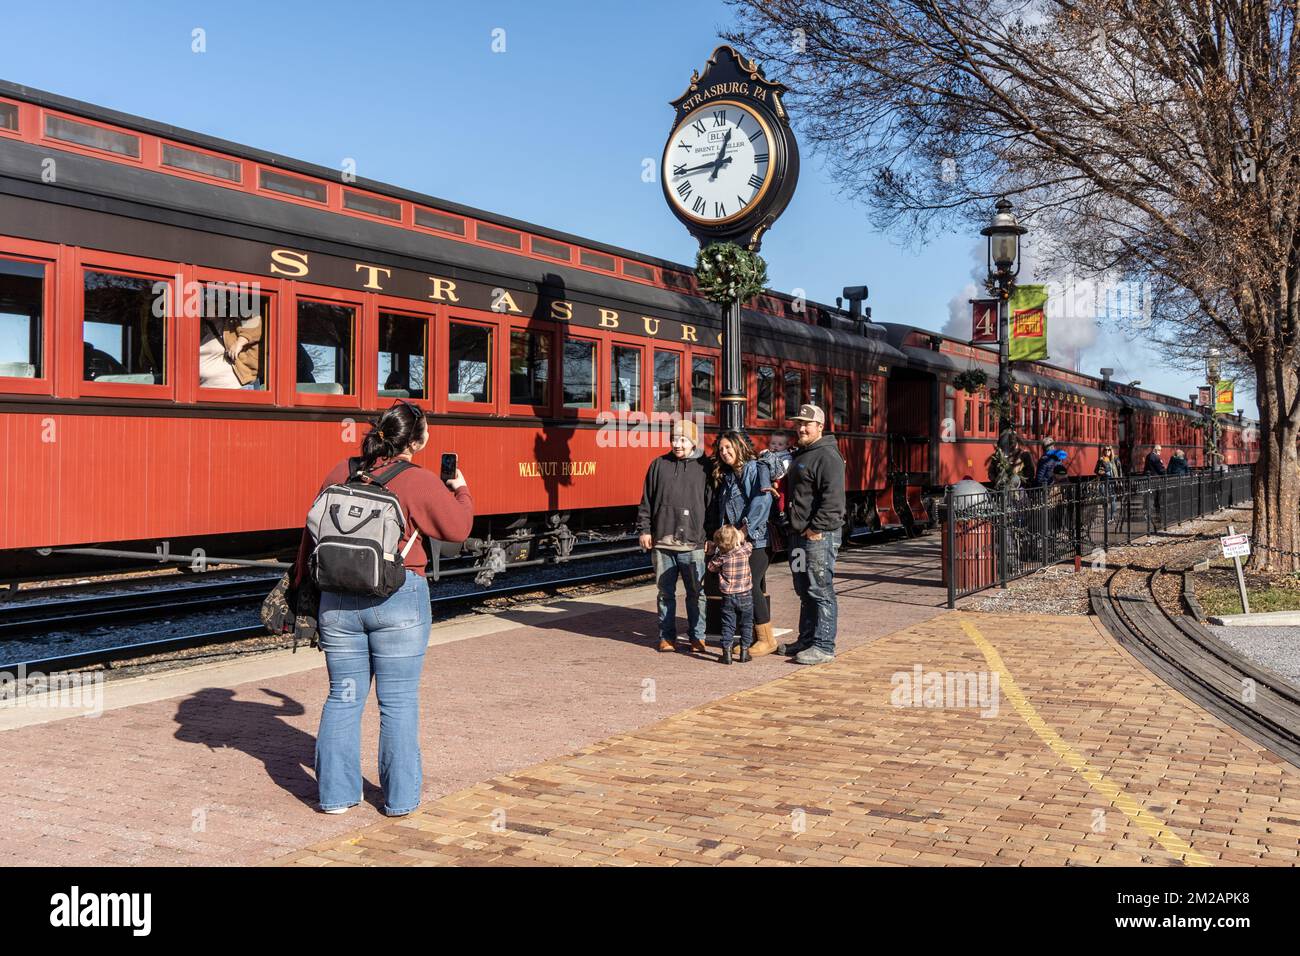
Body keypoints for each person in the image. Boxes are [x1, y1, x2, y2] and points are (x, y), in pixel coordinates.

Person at [294, 400, 473, 817]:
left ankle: (336, 797)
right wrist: (460, 489)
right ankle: (398, 800)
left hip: (337, 600)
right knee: (397, 702)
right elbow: (458, 529)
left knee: (343, 697)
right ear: (417, 439)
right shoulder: (420, 481)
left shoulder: (342, 471)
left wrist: (304, 590)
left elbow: (310, 535)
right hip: (398, 599)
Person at [777, 404, 846, 666]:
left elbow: (833, 501)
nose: (801, 428)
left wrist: (815, 528)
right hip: (798, 535)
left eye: (807, 424)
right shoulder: (804, 453)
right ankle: (806, 639)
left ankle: (824, 646)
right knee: (803, 590)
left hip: (818, 536)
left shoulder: (827, 456)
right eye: (798, 424)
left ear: (820, 426)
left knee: (820, 589)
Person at [637, 419, 711, 653]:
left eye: (683, 440)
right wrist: (645, 529)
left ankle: (697, 636)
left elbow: (713, 504)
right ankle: (666, 637)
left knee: (696, 593)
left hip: (694, 542)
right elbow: (647, 499)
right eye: (674, 439)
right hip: (663, 541)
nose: (677, 444)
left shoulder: (705, 466)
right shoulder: (659, 465)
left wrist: (709, 535)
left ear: (693, 442)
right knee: (664, 593)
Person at [712, 430, 777, 656]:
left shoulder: (754, 468)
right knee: (749, 586)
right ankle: (751, 636)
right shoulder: (729, 476)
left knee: (751, 585)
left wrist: (743, 531)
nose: (725, 452)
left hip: (758, 539)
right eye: (721, 449)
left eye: (728, 447)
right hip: (737, 543)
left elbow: (762, 500)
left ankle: (766, 639)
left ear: (739, 446)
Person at [706, 525, 754, 665]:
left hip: (728, 596)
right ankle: (745, 652)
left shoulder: (721, 557)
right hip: (745, 594)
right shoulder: (745, 551)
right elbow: (749, 544)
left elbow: (711, 567)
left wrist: (714, 550)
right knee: (746, 624)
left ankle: (726, 654)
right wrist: (741, 539)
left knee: (728, 625)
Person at [199, 314, 262, 389]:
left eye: (212, 302)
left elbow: (254, 320)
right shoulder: (197, 325)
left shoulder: (231, 320)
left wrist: (241, 341)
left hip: (235, 387)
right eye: (204, 304)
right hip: (202, 389)